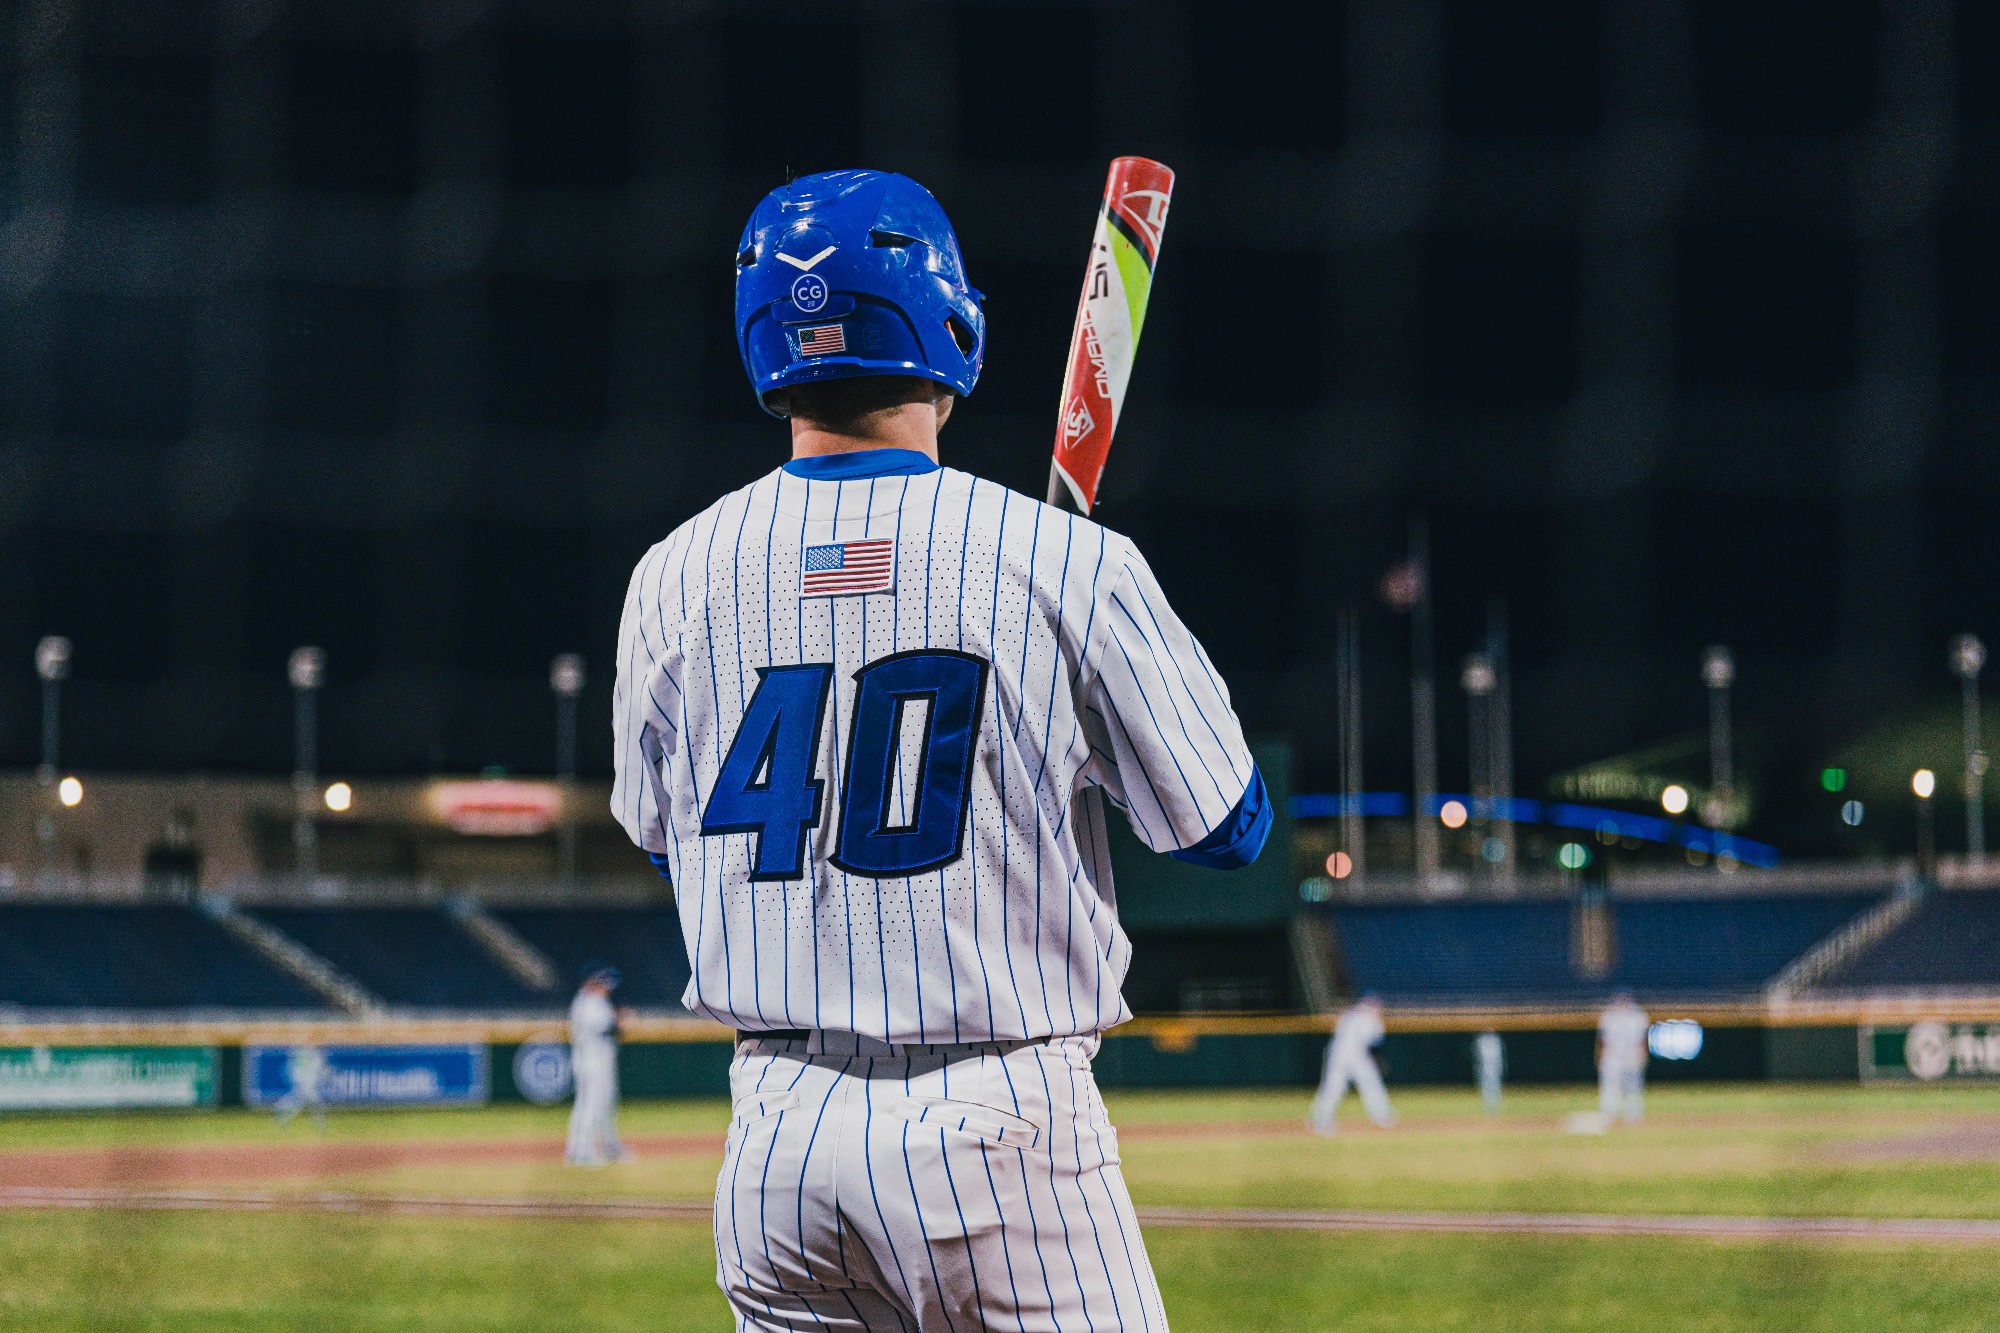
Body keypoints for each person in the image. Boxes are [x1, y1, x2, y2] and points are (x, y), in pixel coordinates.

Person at [611, 168, 1270, 1330]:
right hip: (1001, 1125)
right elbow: (1225, 830)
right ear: (948, 319)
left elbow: (668, 846)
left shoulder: (671, 574)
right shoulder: (1063, 562)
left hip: (774, 1147)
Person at [565, 964, 629, 1166]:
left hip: (598, 1059)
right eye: (602, 982)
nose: (606, 987)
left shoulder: (591, 1001)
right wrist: (621, 1020)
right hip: (591, 1060)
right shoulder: (589, 1002)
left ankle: (608, 1147)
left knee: (603, 1104)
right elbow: (606, 1029)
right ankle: (581, 1151)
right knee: (590, 1106)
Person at [1309, 994, 1396, 1135]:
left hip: (1337, 1054)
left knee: (1333, 1088)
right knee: (1371, 1083)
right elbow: (1374, 1040)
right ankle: (1382, 1115)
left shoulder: (1349, 1015)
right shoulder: (1370, 1019)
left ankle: (1320, 1120)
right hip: (1355, 1054)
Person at [1597, 990, 1650, 1125]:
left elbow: (1643, 1040)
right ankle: (1612, 1114)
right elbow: (1603, 1040)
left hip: (1627, 1056)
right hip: (1616, 1057)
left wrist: (1643, 1053)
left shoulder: (1635, 1016)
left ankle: (1630, 1115)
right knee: (1612, 1088)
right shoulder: (1614, 1016)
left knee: (1631, 1088)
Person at [273, 1043, 326, 1130]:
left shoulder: (316, 1056)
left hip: (308, 1085)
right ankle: (281, 1106)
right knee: (308, 1103)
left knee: (304, 1103)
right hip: (306, 1084)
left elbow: (316, 1071)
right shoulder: (312, 1055)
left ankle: (281, 1109)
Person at [1474, 1029, 1505, 1113]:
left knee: (1495, 1085)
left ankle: (1496, 1105)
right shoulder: (1481, 1039)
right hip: (1484, 1066)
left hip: (1494, 1066)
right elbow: (1478, 1054)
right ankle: (1487, 1105)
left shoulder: (1495, 1038)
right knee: (1485, 1086)